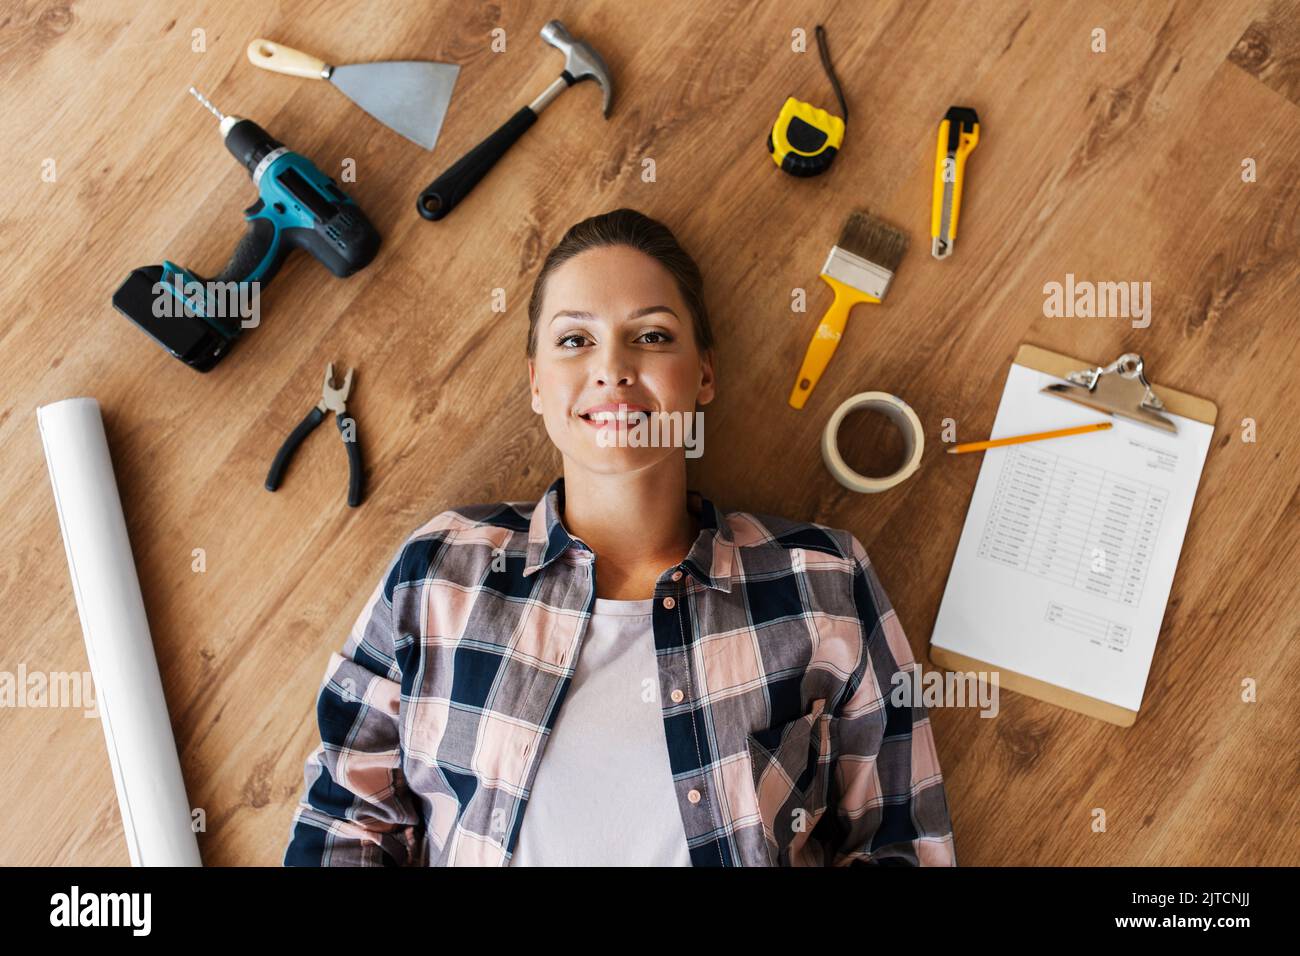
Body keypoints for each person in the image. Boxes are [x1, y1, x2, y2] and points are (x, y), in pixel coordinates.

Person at [283, 208, 957, 867]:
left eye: (654, 336)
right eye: (575, 340)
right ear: (536, 383)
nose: (613, 367)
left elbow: (903, 838)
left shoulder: (821, 579)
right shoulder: (440, 572)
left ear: (705, 376)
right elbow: (347, 815)